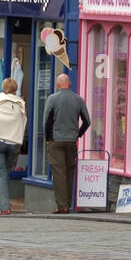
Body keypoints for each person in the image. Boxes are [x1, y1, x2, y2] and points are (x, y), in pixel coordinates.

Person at [42, 73, 91, 214]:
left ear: (58, 85)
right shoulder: (78, 99)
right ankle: (68, 204)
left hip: (55, 140)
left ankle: (62, 206)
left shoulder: (52, 99)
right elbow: (87, 121)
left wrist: (48, 138)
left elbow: (47, 121)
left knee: (59, 173)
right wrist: (78, 134)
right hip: (71, 140)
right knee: (69, 172)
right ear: (69, 84)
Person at [0, 78, 28, 215]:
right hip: (13, 143)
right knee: (6, 173)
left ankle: (5, 207)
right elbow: (23, 121)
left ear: (3, 88)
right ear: (16, 88)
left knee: (2, 174)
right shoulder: (21, 103)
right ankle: (7, 204)